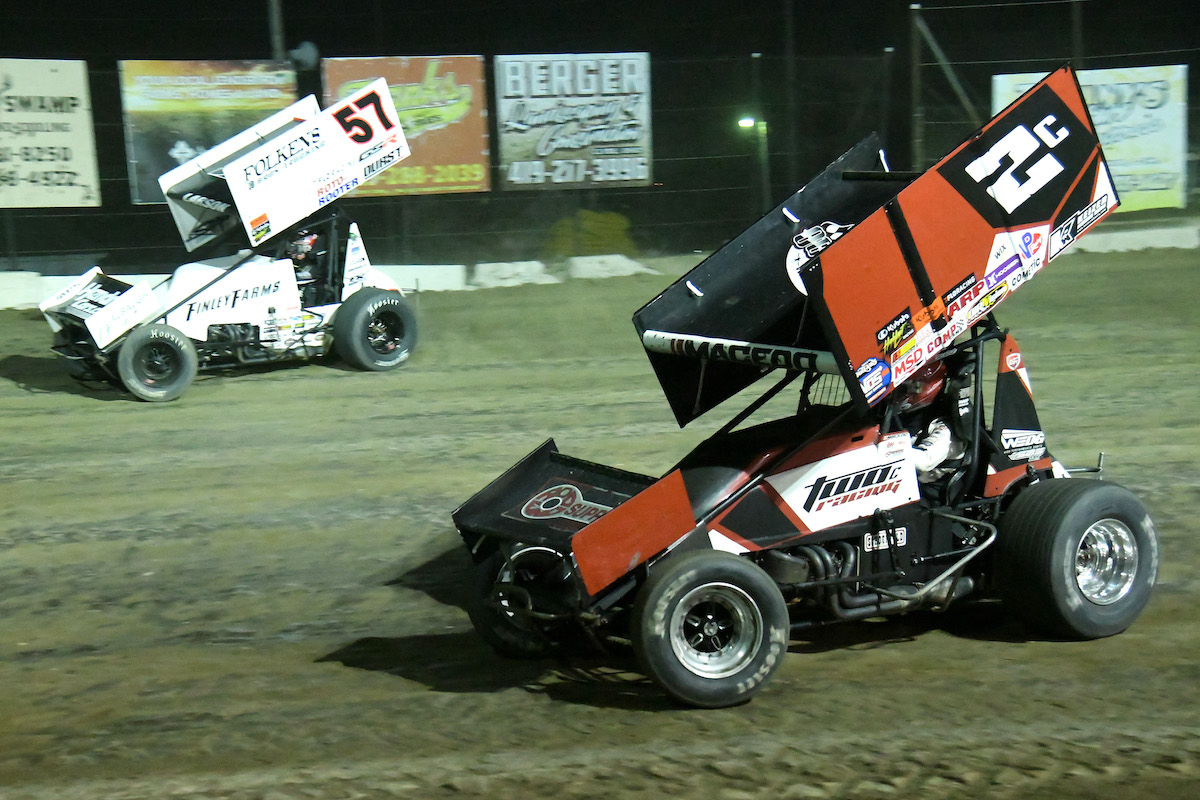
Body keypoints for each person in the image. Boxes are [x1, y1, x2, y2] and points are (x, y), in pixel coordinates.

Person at [896, 360, 965, 485]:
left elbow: (925, 461)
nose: (897, 394)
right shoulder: (904, 417)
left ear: (920, 388)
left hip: (930, 494)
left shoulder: (943, 426)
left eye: (903, 388)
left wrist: (883, 451)